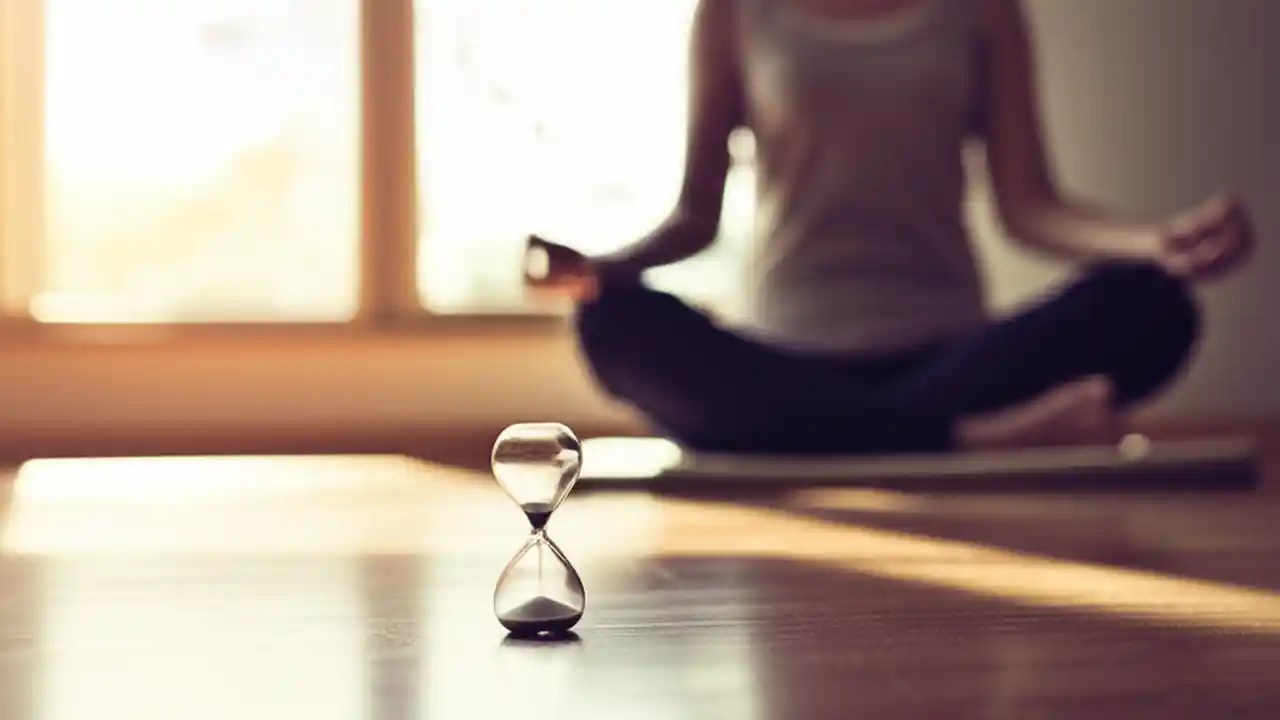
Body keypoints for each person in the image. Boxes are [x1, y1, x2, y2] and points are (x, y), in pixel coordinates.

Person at [527, 0, 1256, 455]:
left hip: (954, 358)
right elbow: (695, 217)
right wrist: (601, 270)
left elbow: (1030, 205)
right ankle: (972, 436)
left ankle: (839, 433)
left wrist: (1155, 243)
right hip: (788, 359)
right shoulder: (735, 11)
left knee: (1151, 301)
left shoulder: (982, 10)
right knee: (612, 322)